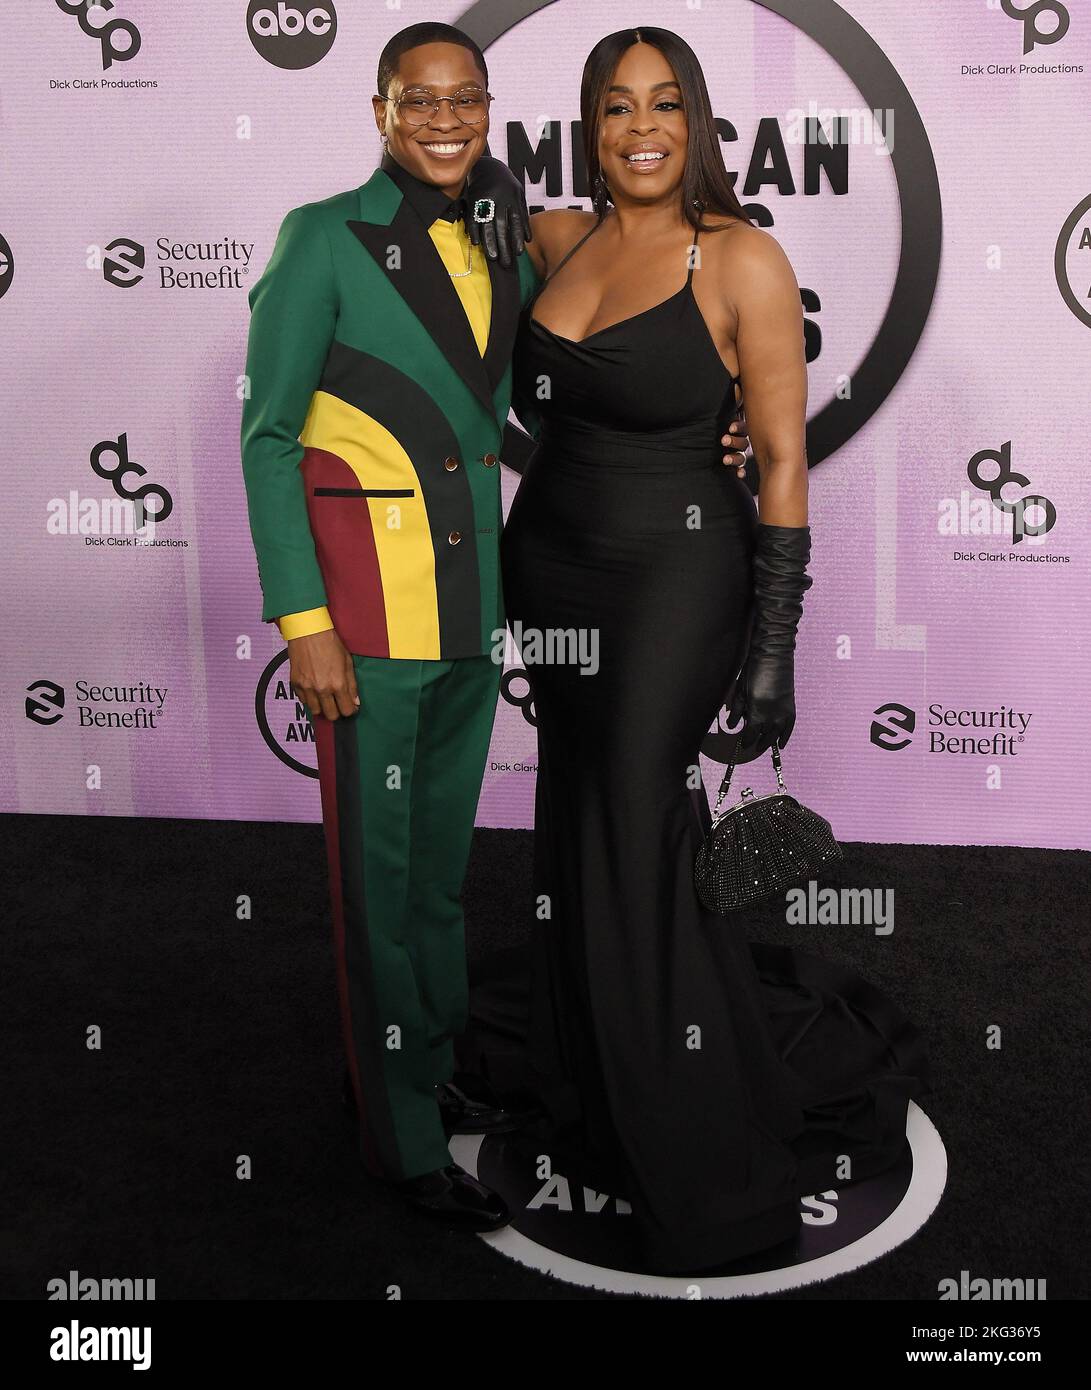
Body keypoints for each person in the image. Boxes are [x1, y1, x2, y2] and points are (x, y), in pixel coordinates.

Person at [462, 27, 931, 1273]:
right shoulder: (555, 237)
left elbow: (776, 458)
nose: (639, 127)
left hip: (678, 578)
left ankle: (689, 1144)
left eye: (663, 104)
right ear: (586, 123)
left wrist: (770, 648)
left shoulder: (740, 260)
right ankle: (590, 1091)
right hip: (549, 565)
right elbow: (454, 203)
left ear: (700, 120)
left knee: (632, 819)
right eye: (614, 107)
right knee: (579, 821)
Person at [239, 22, 551, 1233]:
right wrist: (302, 621)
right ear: (379, 110)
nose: (442, 116)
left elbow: (522, 400)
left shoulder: (499, 237)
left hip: (468, 616)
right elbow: (269, 439)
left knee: (435, 878)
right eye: (418, 98)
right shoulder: (320, 235)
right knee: (377, 882)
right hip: (360, 624)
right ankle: (402, 1140)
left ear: (485, 109)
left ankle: (428, 1059)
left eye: (463, 97)